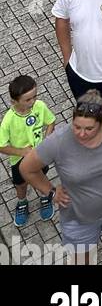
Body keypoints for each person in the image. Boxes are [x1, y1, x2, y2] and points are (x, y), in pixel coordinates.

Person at [21, 91, 102, 264]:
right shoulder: (59, 141)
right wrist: (50, 191)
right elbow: (26, 168)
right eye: (77, 126)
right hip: (79, 219)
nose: (81, 133)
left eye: (89, 129)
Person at [1, 74, 56, 228]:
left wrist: (46, 141)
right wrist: (22, 152)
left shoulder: (39, 106)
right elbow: (1, 145)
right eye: (27, 99)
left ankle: (45, 197)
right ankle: (22, 202)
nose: (33, 102)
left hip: (39, 157)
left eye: (34, 96)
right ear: (14, 101)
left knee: (41, 177)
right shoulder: (8, 120)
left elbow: (51, 122)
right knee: (21, 184)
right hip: (19, 161)